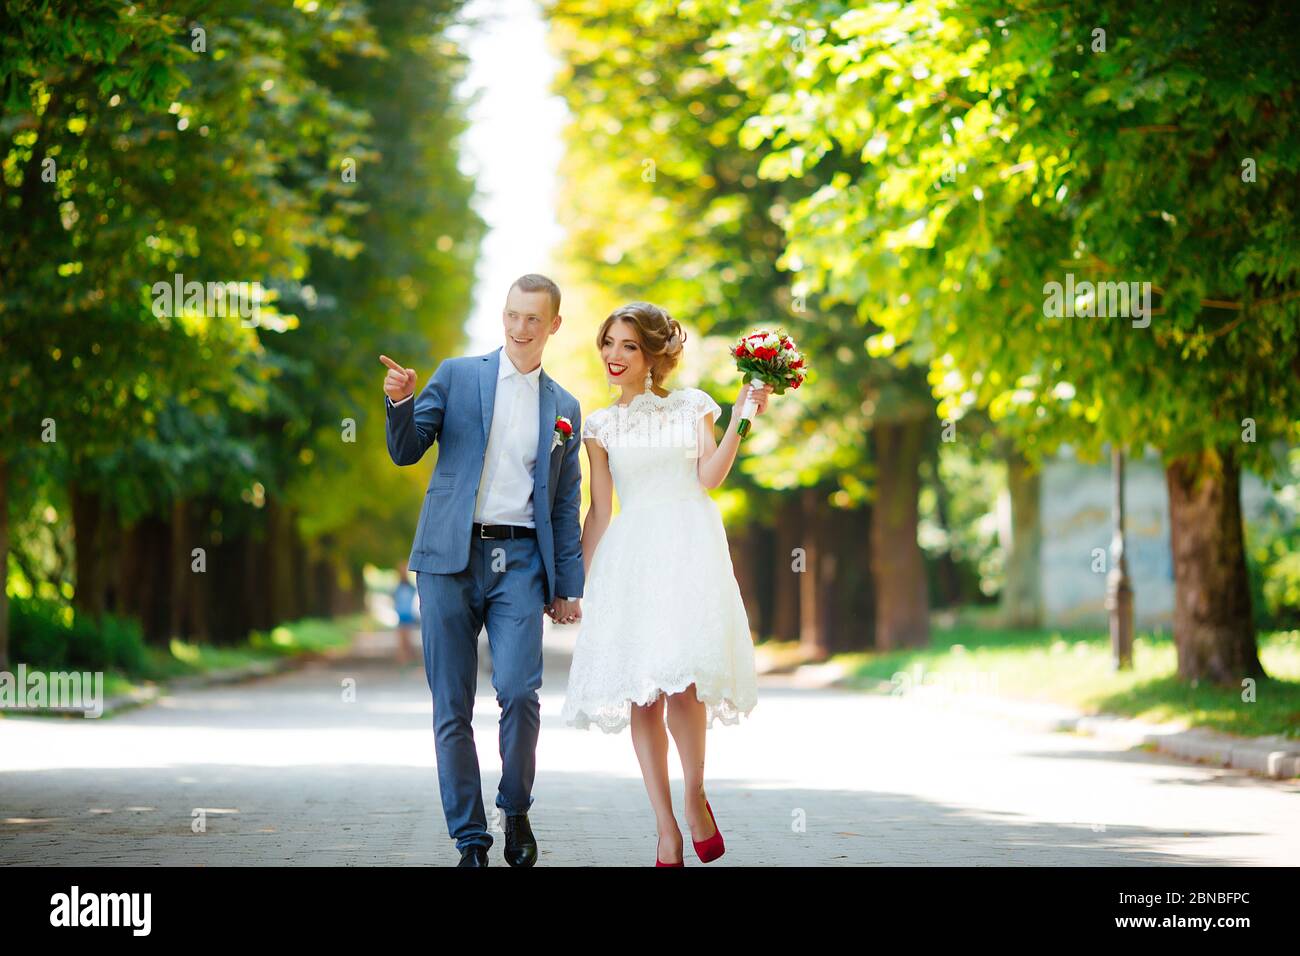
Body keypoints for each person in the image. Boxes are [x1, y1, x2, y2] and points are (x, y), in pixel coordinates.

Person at [381, 273, 584, 867]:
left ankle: (514, 807)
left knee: (521, 691)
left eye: (533, 319)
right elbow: (406, 449)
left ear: (553, 326)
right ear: (503, 314)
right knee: (452, 705)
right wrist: (400, 401)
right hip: (448, 559)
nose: (521, 329)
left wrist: (567, 586)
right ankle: (470, 839)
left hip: (520, 560)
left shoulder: (564, 408)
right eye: (513, 315)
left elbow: (566, 505)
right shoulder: (457, 375)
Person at [560, 301, 772, 866]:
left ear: (652, 354)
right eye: (608, 343)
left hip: (689, 548)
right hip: (632, 560)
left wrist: (741, 420)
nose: (614, 355)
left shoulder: (691, 406)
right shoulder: (599, 425)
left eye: (628, 345)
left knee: (684, 682)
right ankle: (665, 829)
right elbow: (600, 510)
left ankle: (695, 794)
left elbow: (709, 477)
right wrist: (573, 583)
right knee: (643, 693)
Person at [393, 560, 419, 668]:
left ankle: (409, 659)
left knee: (408, 639)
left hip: (408, 615)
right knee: (401, 640)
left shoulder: (411, 587)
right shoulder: (397, 587)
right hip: (400, 615)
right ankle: (402, 661)